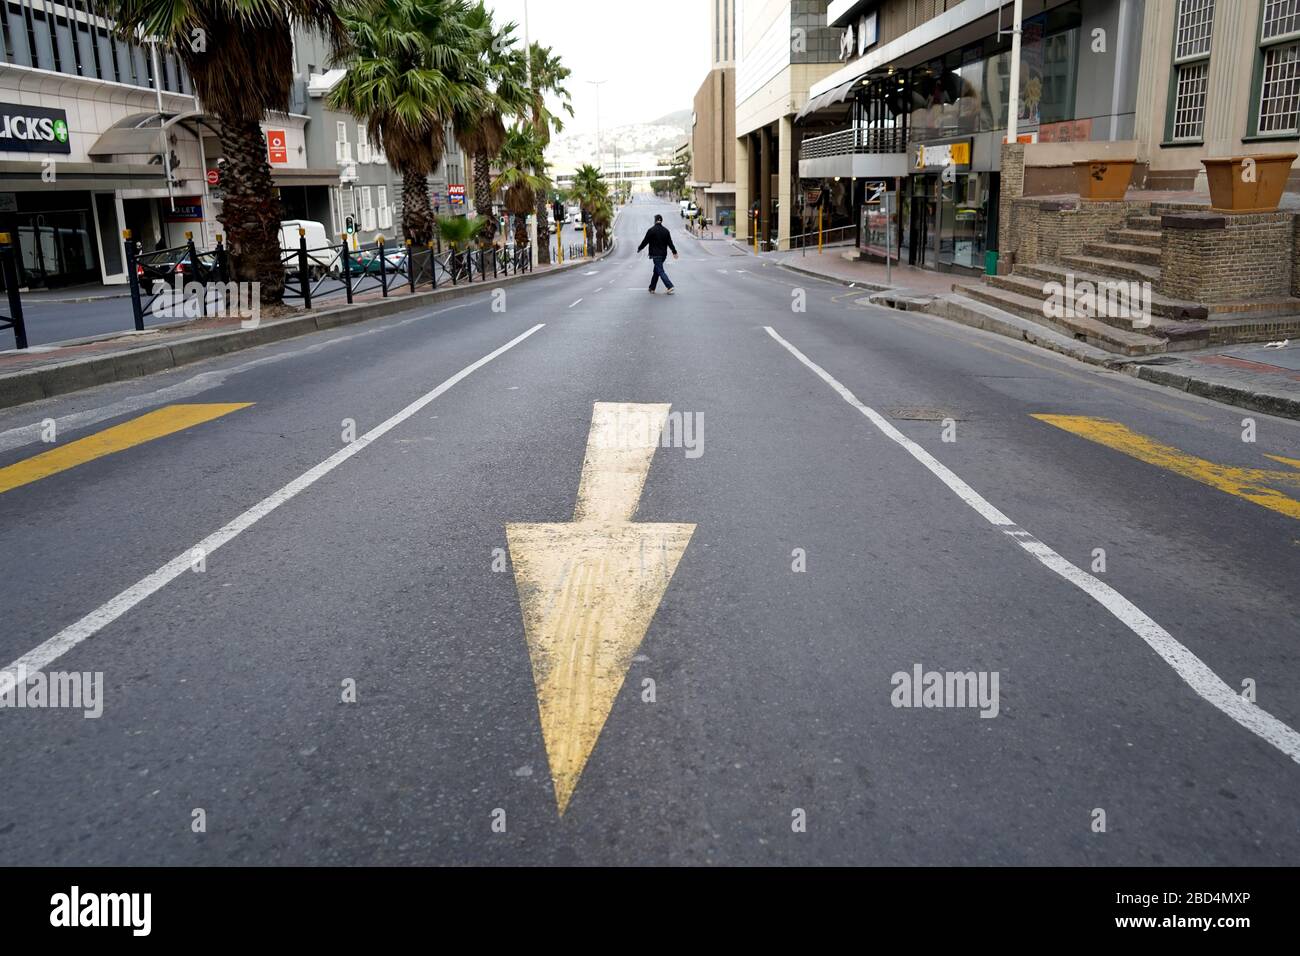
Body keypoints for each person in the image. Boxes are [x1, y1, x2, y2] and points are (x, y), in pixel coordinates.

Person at [637, 213, 678, 294]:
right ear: (661, 221)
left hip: (655, 254)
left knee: (660, 270)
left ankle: (669, 286)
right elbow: (670, 243)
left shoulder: (651, 230)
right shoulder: (666, 231)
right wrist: (674, 252)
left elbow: (645, 241)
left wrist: (640, 248)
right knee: (657, 270)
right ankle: (652, 288)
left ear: (655, 220)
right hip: (663, 255)